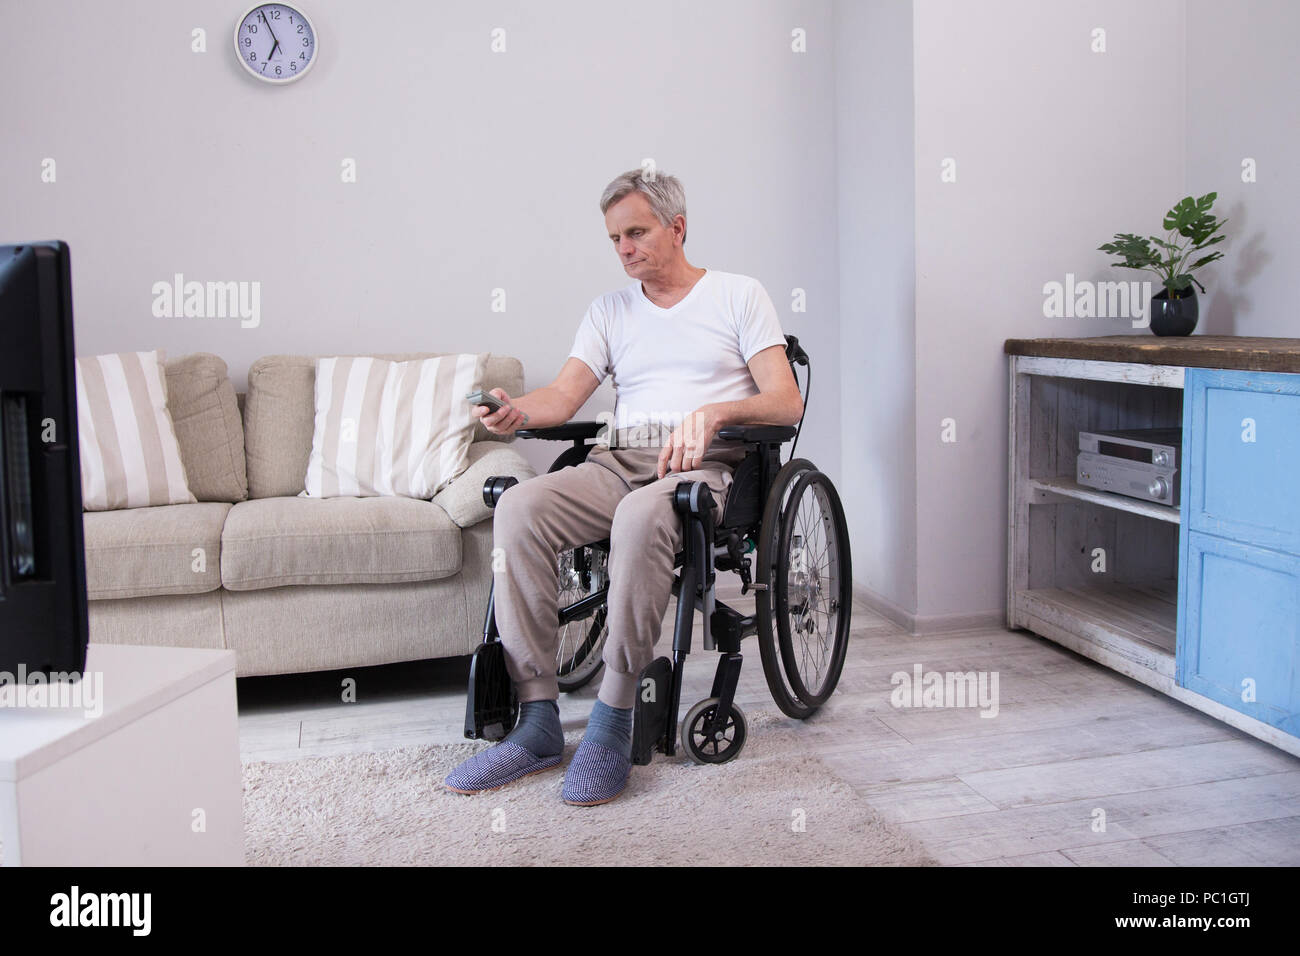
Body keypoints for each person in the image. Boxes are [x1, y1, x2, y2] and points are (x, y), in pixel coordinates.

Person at [443, 168, 803, 806]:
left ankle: (612, 720)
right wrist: (516, 411)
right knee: (520, 506)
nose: (625, 248)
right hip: (620, 457)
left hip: (701, 464)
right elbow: (564, 394)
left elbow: (785, 401)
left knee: (642, 514)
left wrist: (716, 412)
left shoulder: (738, 296)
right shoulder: (609, 310)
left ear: (678, 228)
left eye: (636, 232)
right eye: (615, 238)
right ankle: (537, 722)